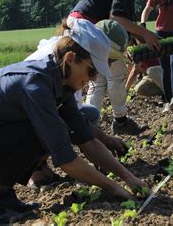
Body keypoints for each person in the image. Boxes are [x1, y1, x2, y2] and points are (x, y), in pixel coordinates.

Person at [0, 20, 147, 224]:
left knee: (43, 130)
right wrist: (114, 187)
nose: (93, 79)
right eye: (91, 71)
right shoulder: (36, 85)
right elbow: (67, 161)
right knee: (41, 133)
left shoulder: (60, 83)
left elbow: (87, 141)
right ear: (70, 58)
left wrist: (128, 177)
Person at [24, 18, 131, 190]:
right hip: (25, 116)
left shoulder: (70, 59)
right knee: (57, 122)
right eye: (109, 59)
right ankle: (35, 168)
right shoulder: (62, 65)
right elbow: (70, 121)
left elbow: (76, 116)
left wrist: (103, 141)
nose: (108, 65)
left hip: (39, 109)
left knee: (90, 114)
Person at [70, 0, 160, 135]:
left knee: (97, 80)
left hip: (78, 27)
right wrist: (145, 34)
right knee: (116, 74)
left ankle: (89, 125)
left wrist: (134, 37)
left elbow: (118, 23)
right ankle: (119, 121)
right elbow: (117, 19)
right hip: (88, 28)